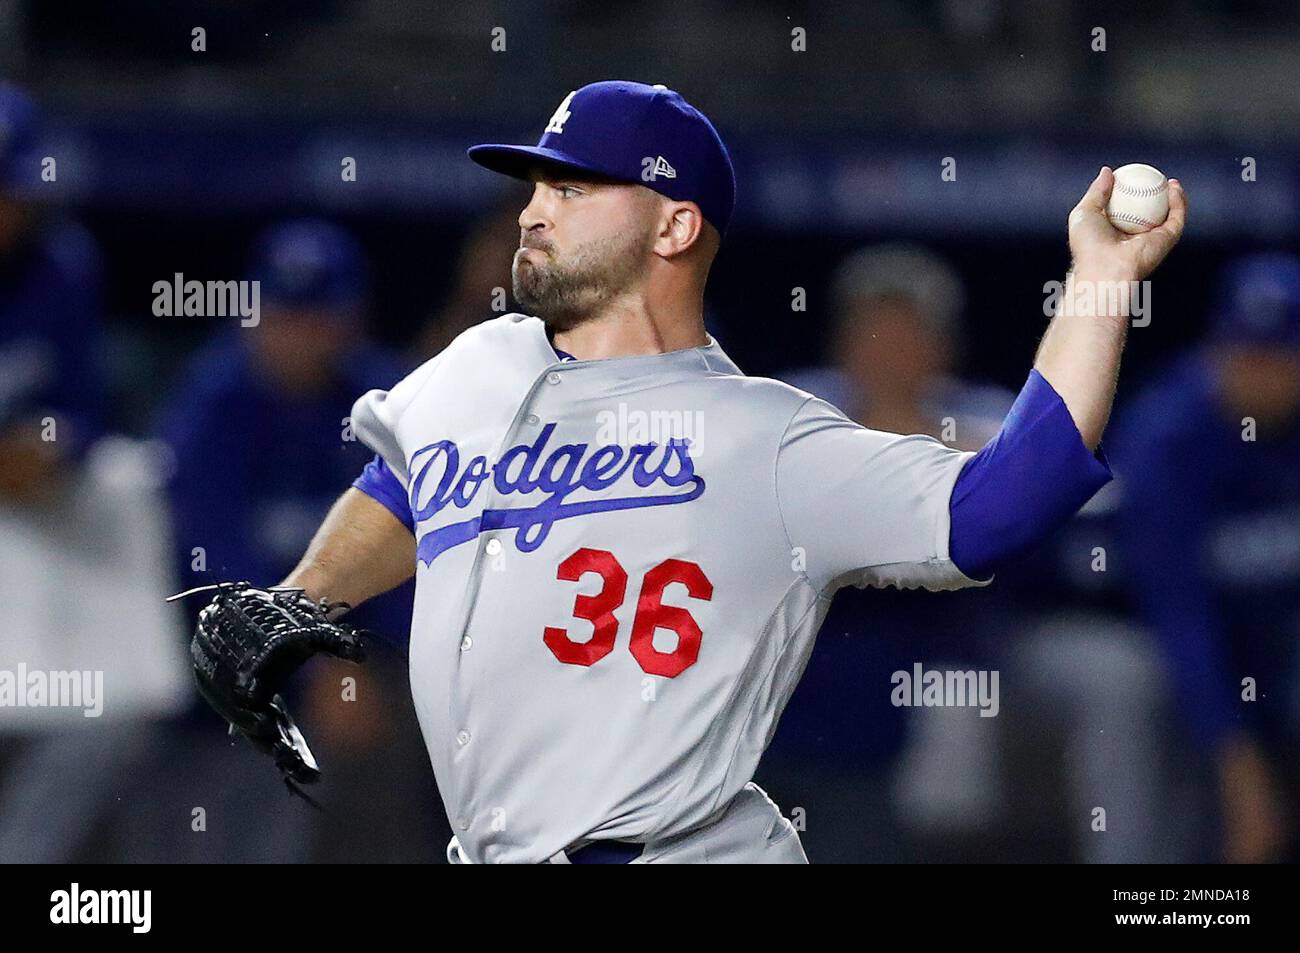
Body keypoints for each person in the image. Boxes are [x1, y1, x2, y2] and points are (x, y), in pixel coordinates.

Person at [199, 80, 1183, 863]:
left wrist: (1099, 281)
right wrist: (297, 598)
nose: (533, 212)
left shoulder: (766, 438)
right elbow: (407, 485)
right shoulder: (477, 364)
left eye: (572, 189)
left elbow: (1005, 500)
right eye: (534, 188)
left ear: (673, 227)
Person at [1110, 251, 1300, 864]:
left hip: (1277, 642)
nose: (1256, 374)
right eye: (1243, 353)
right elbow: (1180, 617)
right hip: (1163, 639)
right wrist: (1243, 780)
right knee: (1144, 695)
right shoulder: (1166, 437)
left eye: (1277, 358)